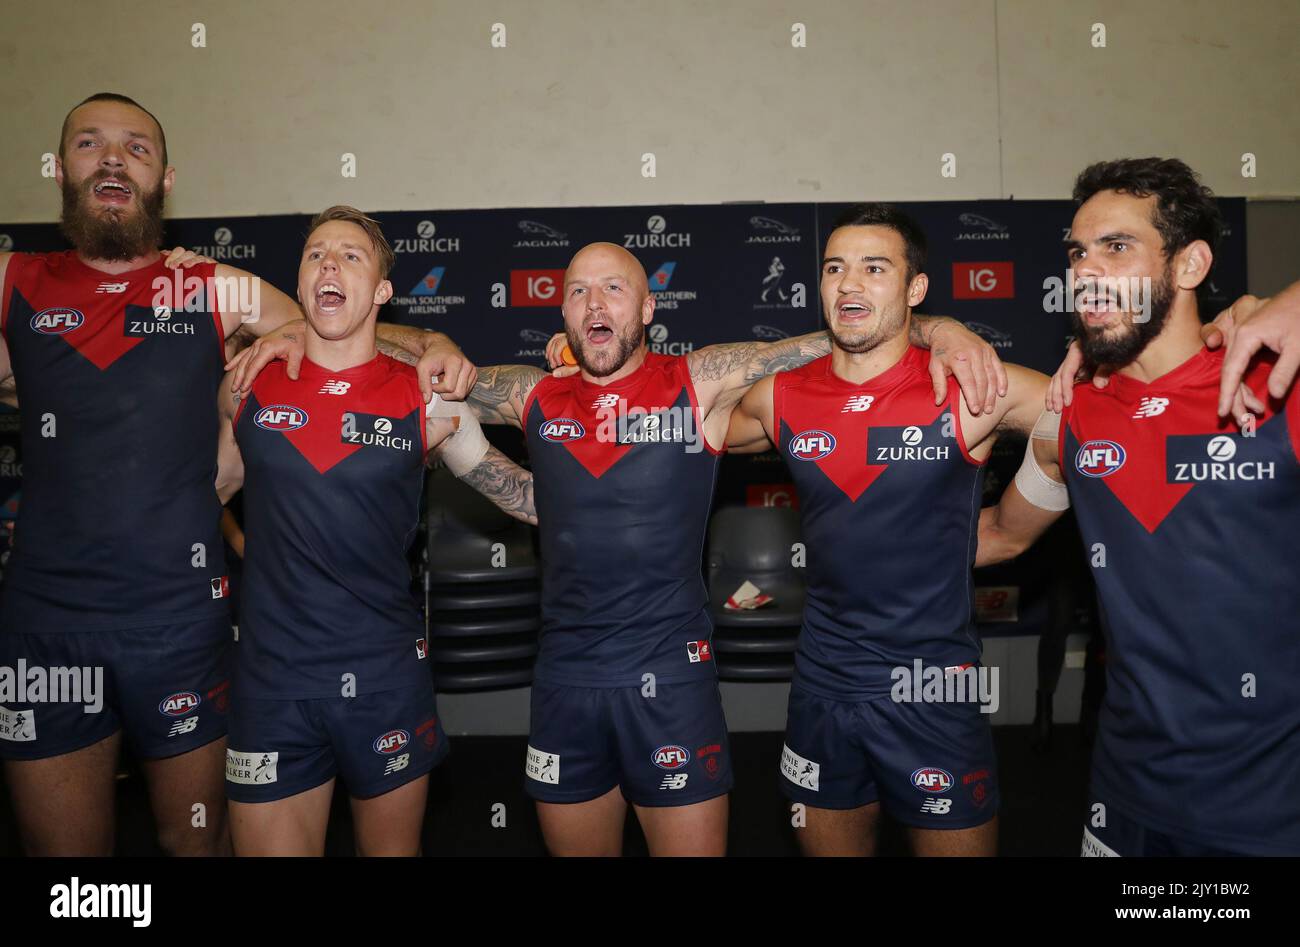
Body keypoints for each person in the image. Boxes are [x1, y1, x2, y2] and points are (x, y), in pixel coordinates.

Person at [0, 93, 473, 857]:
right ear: (60, 168)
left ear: (166, 178)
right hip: (45, 624)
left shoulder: (211, 287)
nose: (113, 158)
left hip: (183, 619)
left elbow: (335, 331)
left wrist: (432, 337)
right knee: (67, 875)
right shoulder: (14, 282)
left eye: (137, 148)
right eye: (90, 143)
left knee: (198, 846)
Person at [979, 157, 1300, 856]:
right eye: (1078, 252)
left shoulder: (1277, 383)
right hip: (1126, 796)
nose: (1086, 271)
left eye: (1116, 248)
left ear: (1189, 266)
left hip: (1273, 810)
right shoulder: (1073, 413)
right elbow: (999, 536)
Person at [725, 204, 1062, 855]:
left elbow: (1091, 426)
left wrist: (1008, 527)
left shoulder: (970, 386)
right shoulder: (780, 397)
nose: (849, 283)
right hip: (824, 684)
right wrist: (583, 372)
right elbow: (665, 424)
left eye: (874, 268)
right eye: (835, 268)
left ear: (915, 289)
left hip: (934, 686)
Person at [216, 206, 533, 856]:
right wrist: (244, 544)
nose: (329, 264)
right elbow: (205, 489)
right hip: (273, 679)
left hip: (384, 673)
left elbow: (518, 492)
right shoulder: (247, 383)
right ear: (300, 281)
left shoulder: (428, 397)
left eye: (351, 256)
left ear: (383, 292)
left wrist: (634, 486)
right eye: (315, 255)